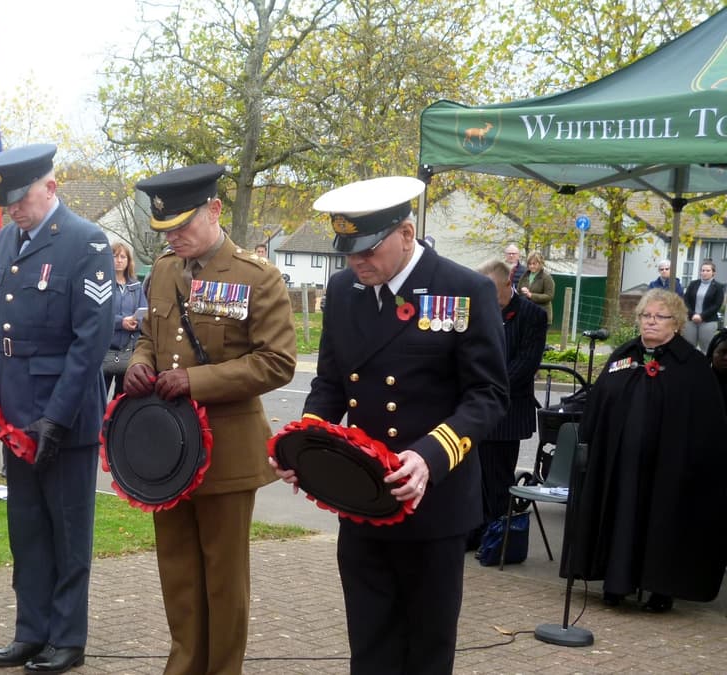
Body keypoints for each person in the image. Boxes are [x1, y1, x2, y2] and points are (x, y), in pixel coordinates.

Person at [272, 176, 508, 674]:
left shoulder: (464, 290)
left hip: (433, 501)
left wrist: (430, 454)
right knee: (370, 640)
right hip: (362, 498)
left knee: (427, 646)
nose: (357, 263)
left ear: (406, 231)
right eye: (349, 252)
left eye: (368, 250)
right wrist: (306, 446)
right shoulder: (344, 290)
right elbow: (332, 382)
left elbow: (488, 396)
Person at [126, 164, 297, 674]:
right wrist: (139, 365)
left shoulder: (255, 276)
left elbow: (277, 361)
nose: (173, 238)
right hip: (164, 453)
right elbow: (148, 340)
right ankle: (183, 666)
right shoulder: (163, 270)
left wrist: (197, 382)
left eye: (182, 226)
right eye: (165, 230)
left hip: (225, 454)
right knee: (177, 572)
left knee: (224, 579)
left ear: (215, 211)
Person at [0, 144, 113, 673]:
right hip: (16, 413)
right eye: (5, 203)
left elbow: (90, 340)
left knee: (69, 532)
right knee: (26, 529)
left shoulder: (86, 242)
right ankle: (32, 631)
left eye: (19, 200)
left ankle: (67, 639)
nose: (11, 211)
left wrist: (58, 415)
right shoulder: (6, 240)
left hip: (64, 417)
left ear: (50, 187)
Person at [566, 288, 727, 613]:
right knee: (619, 516)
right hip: (620, 463)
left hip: (669, 468)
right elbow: (600, 404)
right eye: (646, 316)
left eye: (660, 317)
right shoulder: (623, 356)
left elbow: (707, 424)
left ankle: (660, 590)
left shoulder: (692, 366)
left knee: (661, 523)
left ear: (677, 323)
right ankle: (615, 583)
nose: (651, 322)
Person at [472, 258, 547, 545]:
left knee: (499, 477)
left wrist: (489, 386)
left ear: (508, 283)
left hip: (508, 411)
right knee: (475, 476)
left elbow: (526, 364)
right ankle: (475, 532)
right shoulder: (480, 311)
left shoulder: (531, 316)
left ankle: (497, 538)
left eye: (491, 290)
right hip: (477, 407)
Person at [104, 242, 147, 398]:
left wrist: (136, 322)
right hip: (106, 350)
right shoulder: (102, 284)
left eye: (123, 257)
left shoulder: (136, 287)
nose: (119, 260)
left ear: (128, 261)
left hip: (129, 351)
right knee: (99, 398)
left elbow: (144, 313)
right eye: (115, 256)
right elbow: (98, 315)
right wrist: (120, 322)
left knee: (121, 400)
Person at [683, 260, 725, 352]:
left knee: (706, 348)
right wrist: (693, 314)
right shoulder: (693, 284)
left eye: (707, 270)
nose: (704, 273)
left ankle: (705, 365)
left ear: (713, 272)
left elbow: (716, 305)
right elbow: (685, 300)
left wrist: (701, 316)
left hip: (708, 321)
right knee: (688, 347)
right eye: (702, 270)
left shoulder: (718, 287)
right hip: (691, 319)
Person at [518, 250, 555, 325]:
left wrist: (531, 295)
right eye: (530, 264)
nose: (531, 266)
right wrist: (521, 291)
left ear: (540, 263)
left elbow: (549, 296)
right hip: (527, 315)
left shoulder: (547, 278)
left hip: (541, 316)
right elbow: (518, 290)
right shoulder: (525, 275)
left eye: (534, 264)